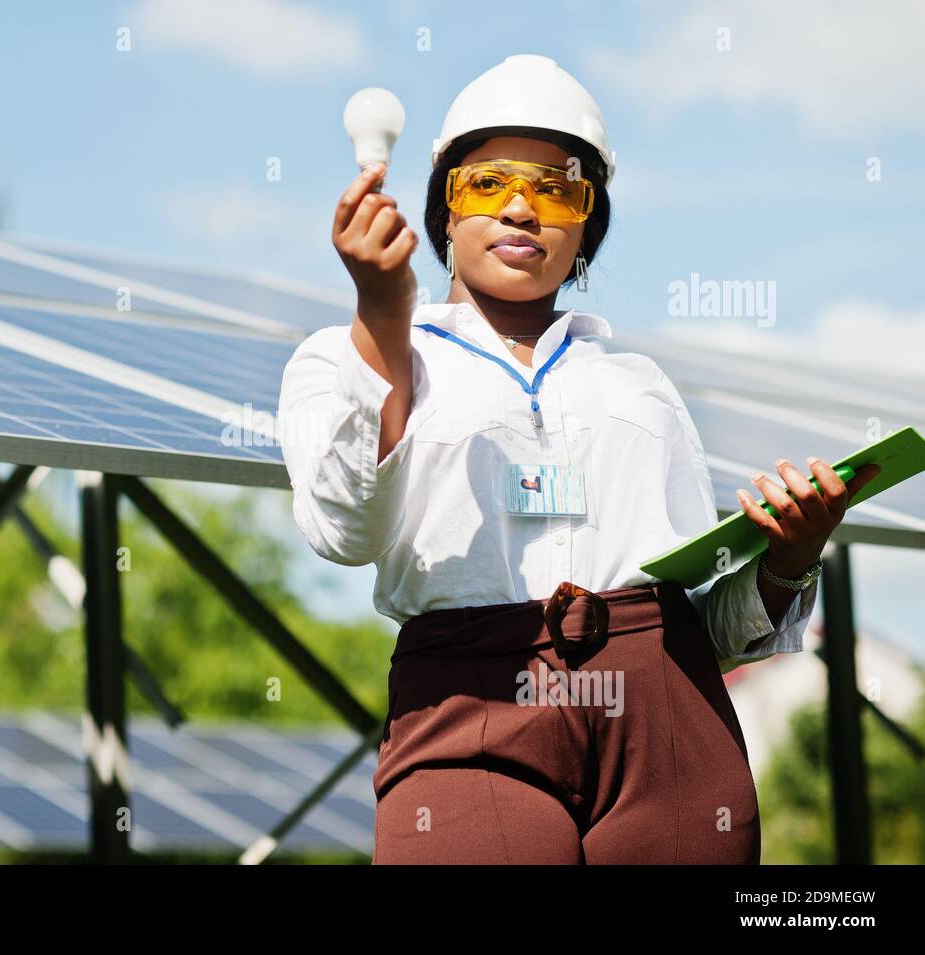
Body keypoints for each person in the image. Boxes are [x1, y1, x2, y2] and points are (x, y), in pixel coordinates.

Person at [277, 54, 879, 864]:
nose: (522, 207)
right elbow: (344, 531)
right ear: (443, 214)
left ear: (585, 227)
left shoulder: (642, 387)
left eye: (557, 188)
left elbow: (707, 626)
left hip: (668, 718)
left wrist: (789, 560)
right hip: (471, 702)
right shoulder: (340, 357)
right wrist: (383, 323)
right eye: (487, 184)